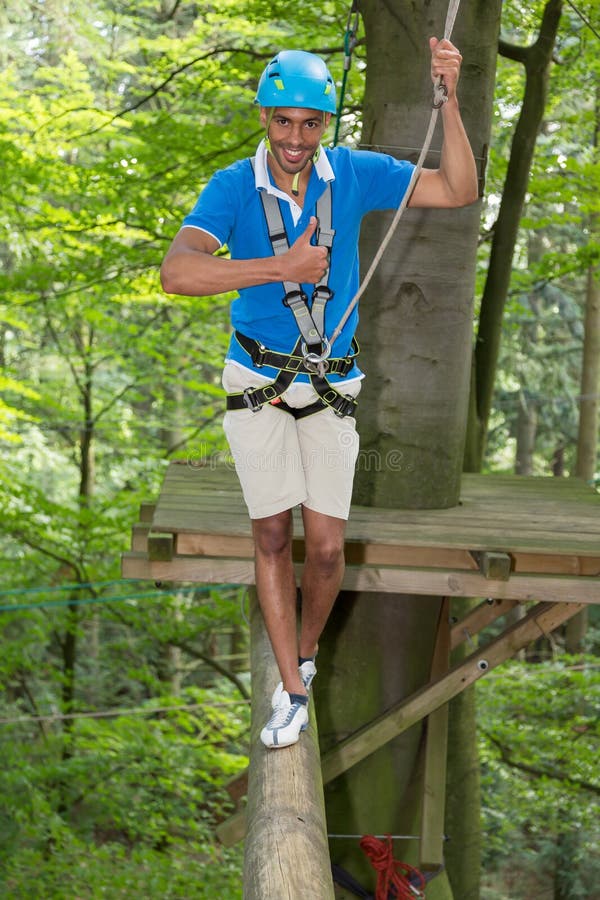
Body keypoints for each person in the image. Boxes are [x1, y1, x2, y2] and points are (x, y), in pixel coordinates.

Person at [160, 39, 478, 749]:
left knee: (328, 551)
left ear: (325, 123)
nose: (295, 139)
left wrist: (447, 99)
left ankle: (302, 654)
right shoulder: (234, 187)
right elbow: (177, 274)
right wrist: (282, 266)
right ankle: (294, 688)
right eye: (283, 122)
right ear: (265, 120)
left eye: (309, 123)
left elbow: (459, 190)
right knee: (273, 535)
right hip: (258, 382)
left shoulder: (356, 175)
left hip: (332, 381)